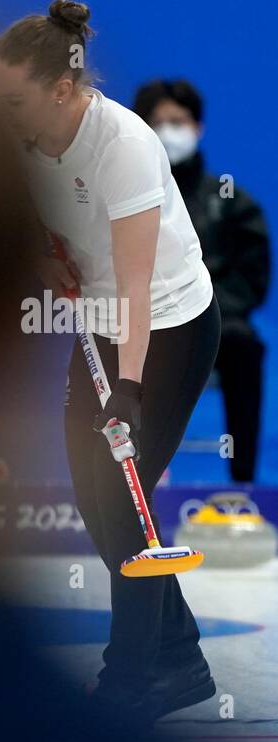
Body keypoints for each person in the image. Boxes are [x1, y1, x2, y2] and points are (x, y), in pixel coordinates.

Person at [0, 2, 222, 722]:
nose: (0, 113)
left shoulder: (123, 144)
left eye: (14, 99)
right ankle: (180, 657)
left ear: (62, 90)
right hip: (97, 321)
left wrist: (129, 387)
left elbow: (135, 287)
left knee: (123, 496)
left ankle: (128, 682)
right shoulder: (20, 135)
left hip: (165, 323)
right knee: (96, 498)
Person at [133, 78, 271, 483]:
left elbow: (252, 279)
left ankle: (243, 485)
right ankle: (135, 478)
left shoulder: (231, 201)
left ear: (198, 127)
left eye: (179, 121)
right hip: (142, 320)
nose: (170, 132)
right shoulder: (124, 198)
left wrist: (198, 310)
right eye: (158, 123)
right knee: (112, 340)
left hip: (214, 322)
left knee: (245, 344)